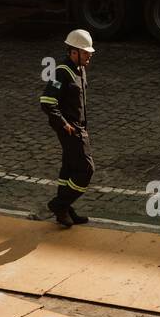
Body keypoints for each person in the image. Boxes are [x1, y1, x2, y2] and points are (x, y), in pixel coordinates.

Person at [39, 29, 95, 227]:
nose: (89, 55)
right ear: (73, 52)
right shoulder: (61, 72)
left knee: (69, 168)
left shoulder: (80, 69)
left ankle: (65, 209)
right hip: (71, 130)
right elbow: (46, 101)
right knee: (86, 170)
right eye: (85, 52)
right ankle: (59, 204)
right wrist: (64, 124)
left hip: (79, 127)